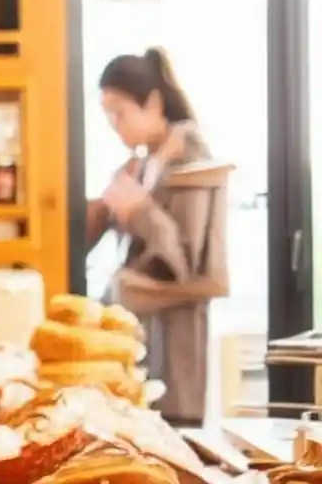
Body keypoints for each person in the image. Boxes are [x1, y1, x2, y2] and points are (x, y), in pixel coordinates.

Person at [87, 47, 229, 426]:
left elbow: (183, 261)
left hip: (176, 345)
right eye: (108, 116)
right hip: (146, 339)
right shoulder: (146, 162)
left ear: (152, 103)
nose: (115, 125)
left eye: (120, 113)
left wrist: (138, 210)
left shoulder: (189, 155)